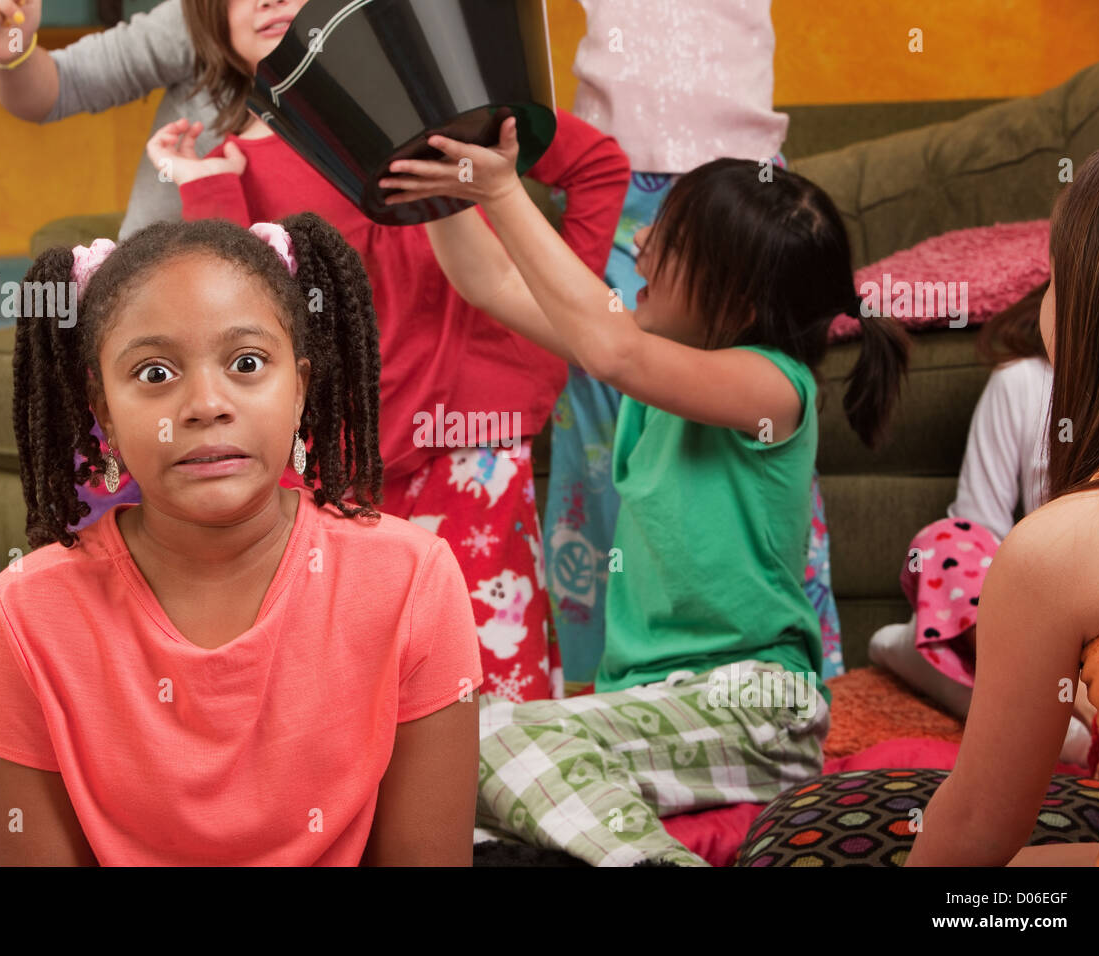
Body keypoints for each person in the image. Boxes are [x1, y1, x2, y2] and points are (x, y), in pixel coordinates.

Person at [0, 0, 632, 701]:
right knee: (347, 691)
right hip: (327, 468)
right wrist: (204, 184)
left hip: (465, 455)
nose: (273, 1)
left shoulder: (434, 102)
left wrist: (551, 325)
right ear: (209, 21)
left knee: (489, 685)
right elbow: (233, 328)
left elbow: (595, 168)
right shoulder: (226, 162)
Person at [376, 119, 909, 865]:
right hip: (643, 708)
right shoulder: (653, 366)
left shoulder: (773, 389)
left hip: (757, 709)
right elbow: (489, 282)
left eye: (674, 245)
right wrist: (440, 182)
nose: (642, 244)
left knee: (491, 740)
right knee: (431, 760)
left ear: (740, 308)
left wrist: (501, 187)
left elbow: (611, 347)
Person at [0, 214, 483, 865]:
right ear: (102, 411)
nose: (206, 403)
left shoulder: (412, 581)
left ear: (299, 386)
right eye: (155, 374)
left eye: (246, 363)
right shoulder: (24, 616)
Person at [541, 0, 844, 686]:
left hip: (737, 185)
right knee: (603, 392)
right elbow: (575, 333)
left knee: (716, 412)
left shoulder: (776, 382)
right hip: (609, 166)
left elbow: (620, 352)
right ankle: (608, 676)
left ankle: (789, 665)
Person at [908, 142, 1099, 867]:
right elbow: (972, 525)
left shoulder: (1060, 546)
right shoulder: (1015, 391)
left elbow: (970, 835)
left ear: (1091, 311)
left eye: (1055, 280)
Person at [868, 284, 1096, 767]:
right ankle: (1069, 726)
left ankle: (920, 655)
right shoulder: (1021, 382)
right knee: (946, 544)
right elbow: (976, 530)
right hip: (1035, 618)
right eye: (1055, 280)